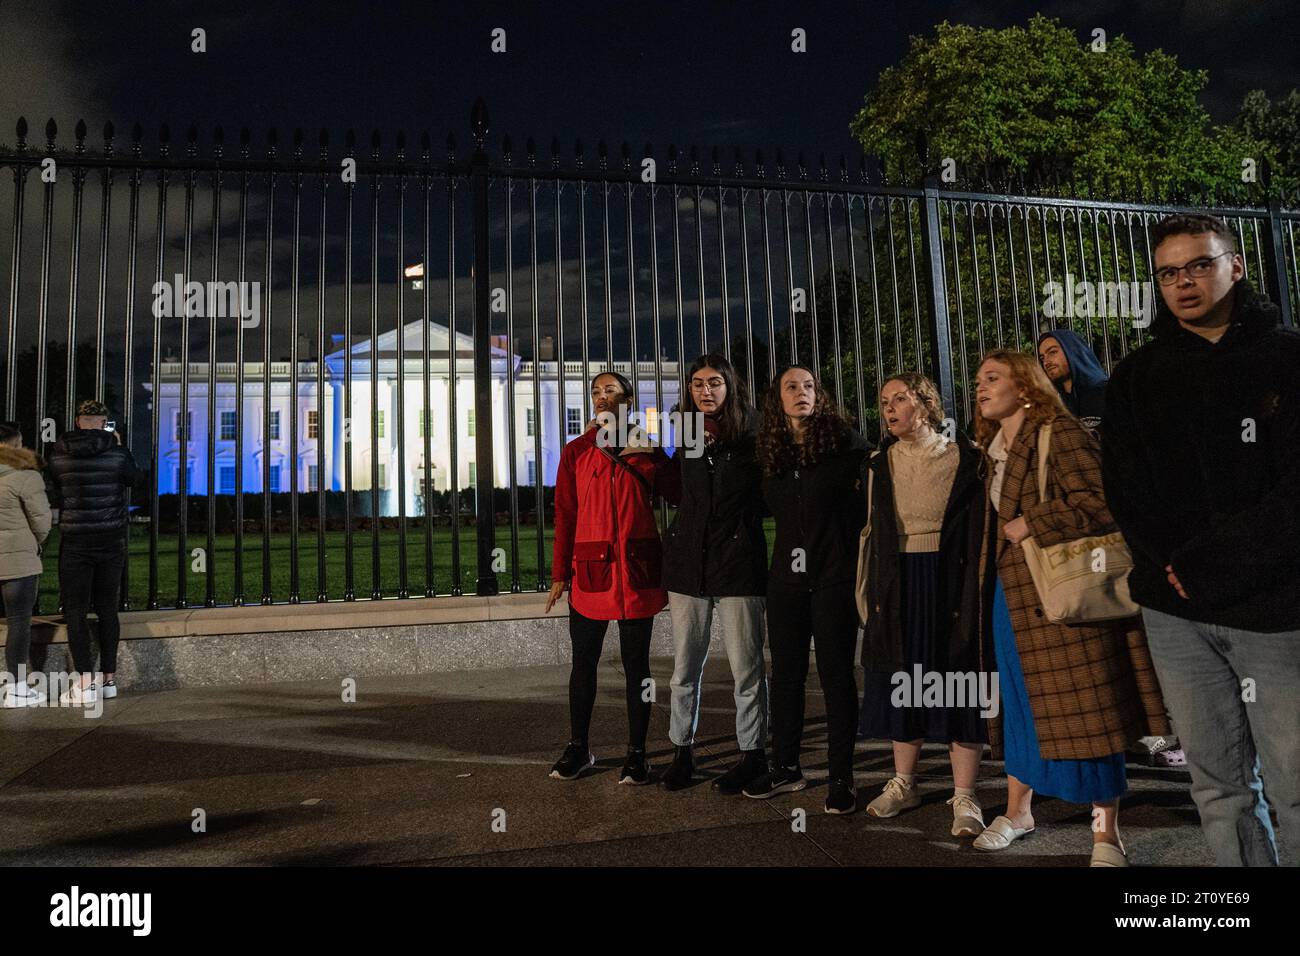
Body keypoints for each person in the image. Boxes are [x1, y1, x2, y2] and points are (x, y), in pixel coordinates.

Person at [1102, 213, 1300, 867]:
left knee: (1295, 787)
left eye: (1200, 265)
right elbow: (1128, 492)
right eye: (1168, 272)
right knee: (1218, 789)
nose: (1184, 281)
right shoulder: (1136, 376)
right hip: (1177, 614)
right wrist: (1177, 570)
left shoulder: (1288, 358)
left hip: (1275, 612)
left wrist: (1216, 563)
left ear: (1236, 266)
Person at [971, 351, 1169, 866]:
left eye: (993, 378)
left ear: (1027, 385)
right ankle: (1019, 812)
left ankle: (1107, 836)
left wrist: (1035, 521)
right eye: (977, 381)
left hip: (1063, 597)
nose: (980, 387)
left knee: (1091, 714)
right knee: (1019, 706)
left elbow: (1103, 500)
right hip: (1012, 597)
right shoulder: (994, 449)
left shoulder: (1059, 431)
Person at [856, 374, 988, 837]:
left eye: (900, 399)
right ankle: (904, 783)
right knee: (902, 677)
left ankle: (966, 794)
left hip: (948, 578)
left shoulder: (964, 458)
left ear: (927, 405)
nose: (889, 409)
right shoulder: (878, 462)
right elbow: (872, 532)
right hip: (899, 579)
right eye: (884, 402)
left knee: (958, 678)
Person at [743, 365, 871, 814]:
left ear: (820, 393)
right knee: (787, 677)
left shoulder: (844, 444)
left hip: (834, 578)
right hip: (786, 582)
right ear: (777, 399)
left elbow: (868, 508)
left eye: (809, 385)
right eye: (791, 387)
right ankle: (786, 768)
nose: (801, 392)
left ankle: (842, 777)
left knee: (836, 677)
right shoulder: (772, 452)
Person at [545, 371, 677, 784]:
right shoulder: (577, 450)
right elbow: (566, 513)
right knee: (583, 664)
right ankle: (578, 746)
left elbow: (677, 493)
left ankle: (637, 752)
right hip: (591, 570)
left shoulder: (647, 447)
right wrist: (559, 573)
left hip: (637, 571)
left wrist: (654, 450)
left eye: (611, 391)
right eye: (597, 392)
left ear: (628, 400)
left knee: (638, 666)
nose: (602, 397)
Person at [660, 354, 769, 794]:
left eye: (715, 383)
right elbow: (679, 494)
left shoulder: (752, 433)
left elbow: (764, 497)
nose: (706, 391)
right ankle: (681, 749)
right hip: (689, 566)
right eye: (698, 383)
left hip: (739, 565)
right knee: (684, 668)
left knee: (747, 668)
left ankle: (753, 753)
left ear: (731, 387)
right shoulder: (684, 432)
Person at [46, 400, 139, 706]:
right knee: (107, 608)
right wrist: (119, 446)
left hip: (75, 539)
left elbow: (56, 488)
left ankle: (85, 681)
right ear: (103, 422)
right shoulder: (116, 452)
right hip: (110, 537)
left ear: (77, 421)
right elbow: (132, 479)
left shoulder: (59, 453)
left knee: (75, 610)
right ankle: (109, 679)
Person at [0, 422, 52, 707]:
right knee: (19, 622)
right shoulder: (25, 476)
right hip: (17, 558)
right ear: (16, 443)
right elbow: (42, 522)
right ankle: (17, 687)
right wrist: (34, 543)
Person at [1036, 329, 1107, 436]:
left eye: (1052, 352)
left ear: (1073, 351)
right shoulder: (1053, 405)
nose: (1046, 362)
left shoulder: (1106, 393)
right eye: (1042, 358)